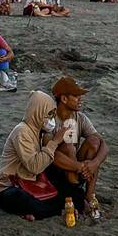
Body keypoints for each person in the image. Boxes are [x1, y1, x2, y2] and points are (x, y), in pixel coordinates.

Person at [0, 91, 66, 220]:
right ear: (38, 112)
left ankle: (34, 212)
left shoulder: (37, 132)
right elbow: (34, 166)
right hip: (10, 187)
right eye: (48, 115)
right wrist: (54, 142)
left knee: (60, 183)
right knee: (18, 198)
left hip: (30, 183)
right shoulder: (22, 132)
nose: (51, 120)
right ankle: (54, 211)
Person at [46, 75, 108, 222]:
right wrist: (80, 166)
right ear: (64, 99)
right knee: (68, 146)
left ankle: (89, 195)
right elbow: (49, 153)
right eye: (76, 95)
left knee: (94, 142)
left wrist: (93, 164)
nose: (80, 98)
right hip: (55, 173)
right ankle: (76, 196)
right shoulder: (50, 120)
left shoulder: (80, 117)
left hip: (77, 171)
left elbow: (103, 145)